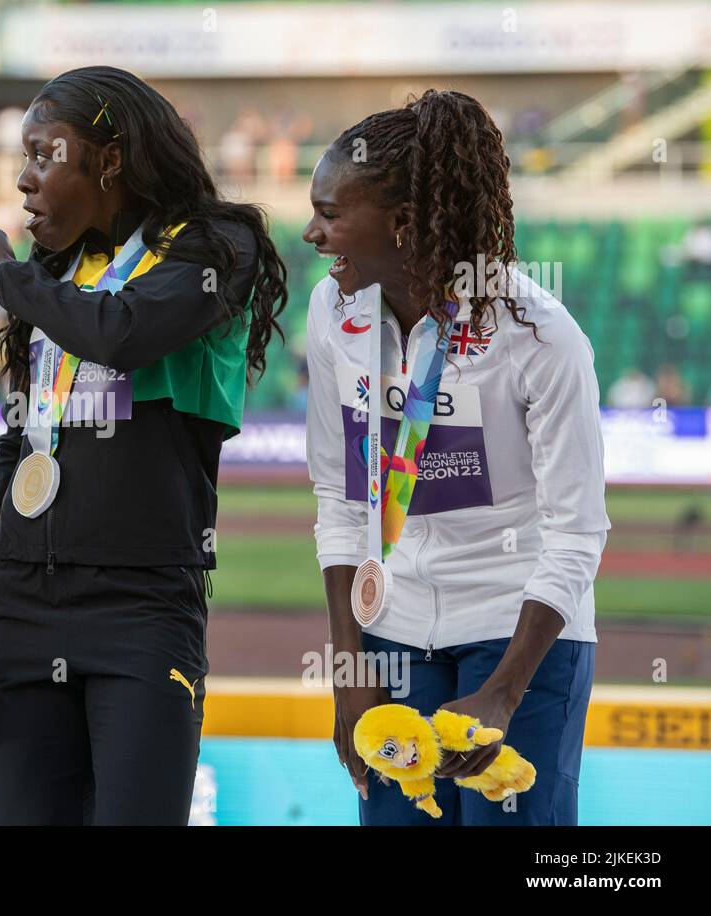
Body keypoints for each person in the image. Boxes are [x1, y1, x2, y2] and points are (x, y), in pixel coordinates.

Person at [0, 66, 288, 825]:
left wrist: (4, 274)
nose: (27, 182)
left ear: (109, 160)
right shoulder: (55, 277)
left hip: (141, 608)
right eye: (22, 161)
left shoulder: (211, 249)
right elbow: (19, 443)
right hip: (22, 607)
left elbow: (122, 334)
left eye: (45, 154)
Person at [301, 90, 610, 825]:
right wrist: (350, 670)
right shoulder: (330, 314)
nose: (313, 233)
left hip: (522, 637)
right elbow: (341, 499)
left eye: (331, 214)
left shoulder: (539, 335)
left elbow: (576, 533)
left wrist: (506, 690)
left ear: (403, 225)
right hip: (394, 632)